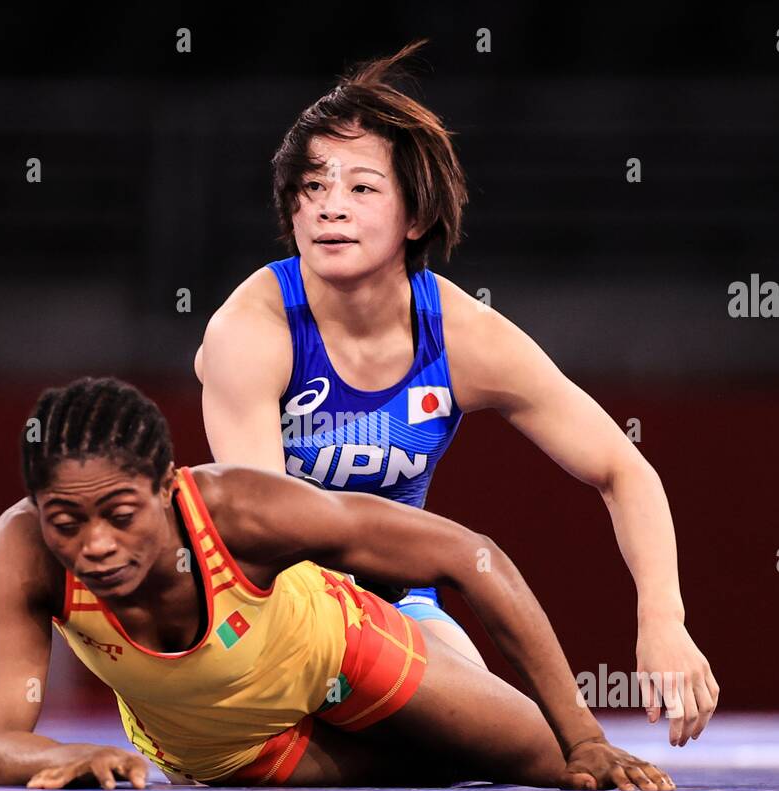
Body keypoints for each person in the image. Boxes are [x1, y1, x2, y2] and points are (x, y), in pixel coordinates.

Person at [195, 39, 718, 746]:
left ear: (415, 217)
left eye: (360, 187)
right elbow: (266, 533)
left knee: (525, 745)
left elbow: (624, 469)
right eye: (312, 187)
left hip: (399, 601)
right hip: (268, 603)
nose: (329, 208)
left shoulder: (466, 337)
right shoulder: (250, 331)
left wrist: (664, 619)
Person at [0, 376, 675, 791]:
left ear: (166, 486)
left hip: (346, 651)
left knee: (569, 773)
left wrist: (582, 734)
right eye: (65, 522)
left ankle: (442, 647)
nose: (94, 546)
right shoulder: (25, 549)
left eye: (121, 515)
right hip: (229, 750)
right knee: (437, 775)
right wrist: (70, 755)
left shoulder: (242, 510)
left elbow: (472, 556)